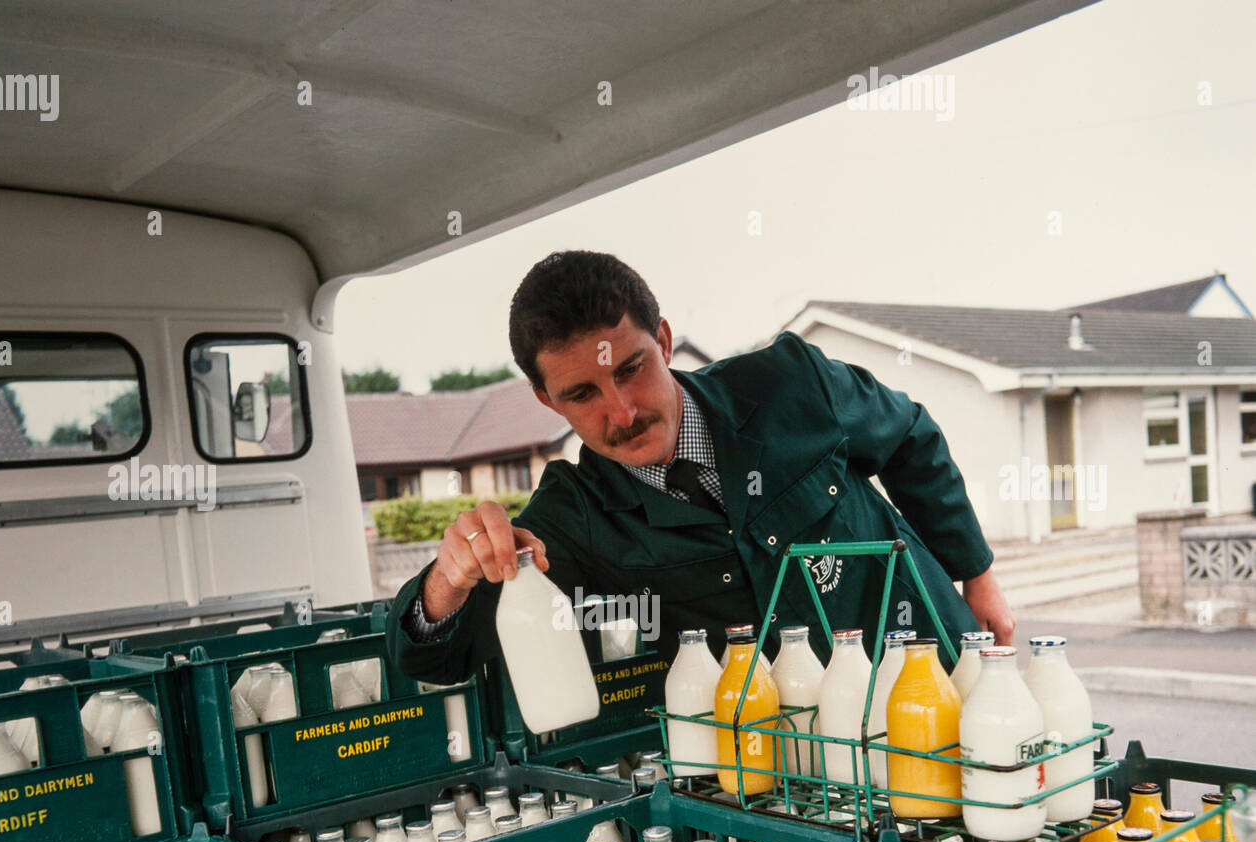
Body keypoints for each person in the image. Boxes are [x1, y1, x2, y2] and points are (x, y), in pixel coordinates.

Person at [387, 251, 1013, 681]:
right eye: (583, 395)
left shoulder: (791, 384)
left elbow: (911, 438)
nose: (623, 411)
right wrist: (449, 580)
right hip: (802, 768)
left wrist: (976, 571)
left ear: (662, 340)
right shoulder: (571, 519)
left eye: (630, 369)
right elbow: (433, 660)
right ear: (547, 400)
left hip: (945, 673)